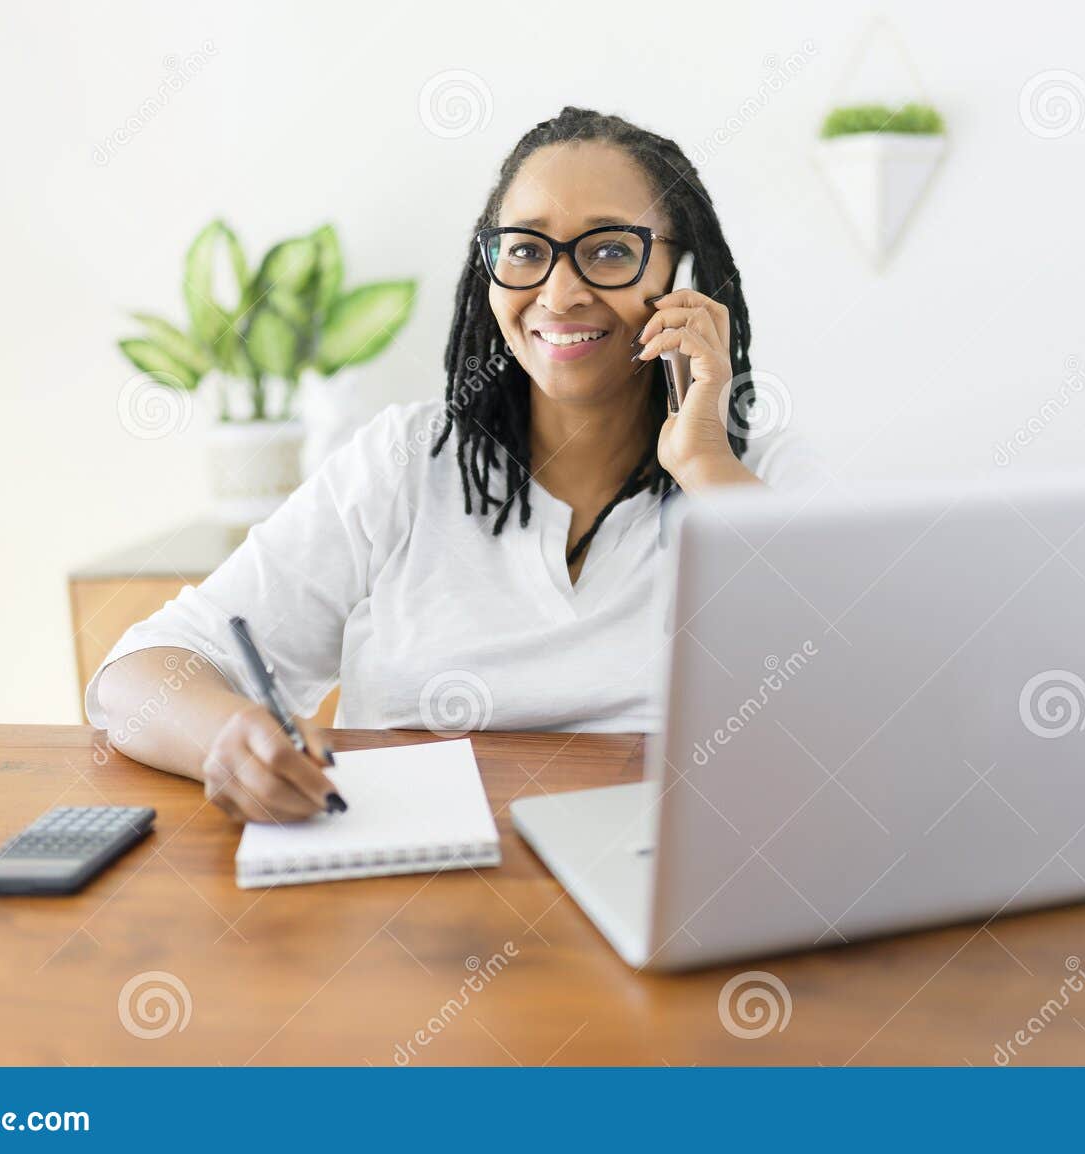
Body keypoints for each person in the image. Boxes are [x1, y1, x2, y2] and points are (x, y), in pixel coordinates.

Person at [87, 107, 823, 823]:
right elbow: (141, 672)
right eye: (527, 250)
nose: (561, 293)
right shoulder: (403, 464)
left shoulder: (760, 480)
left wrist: (705, 466)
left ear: (684, 271)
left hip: (659, 888)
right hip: (411, 905)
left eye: (609, 249)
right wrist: (227, 738)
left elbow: (857, 705)